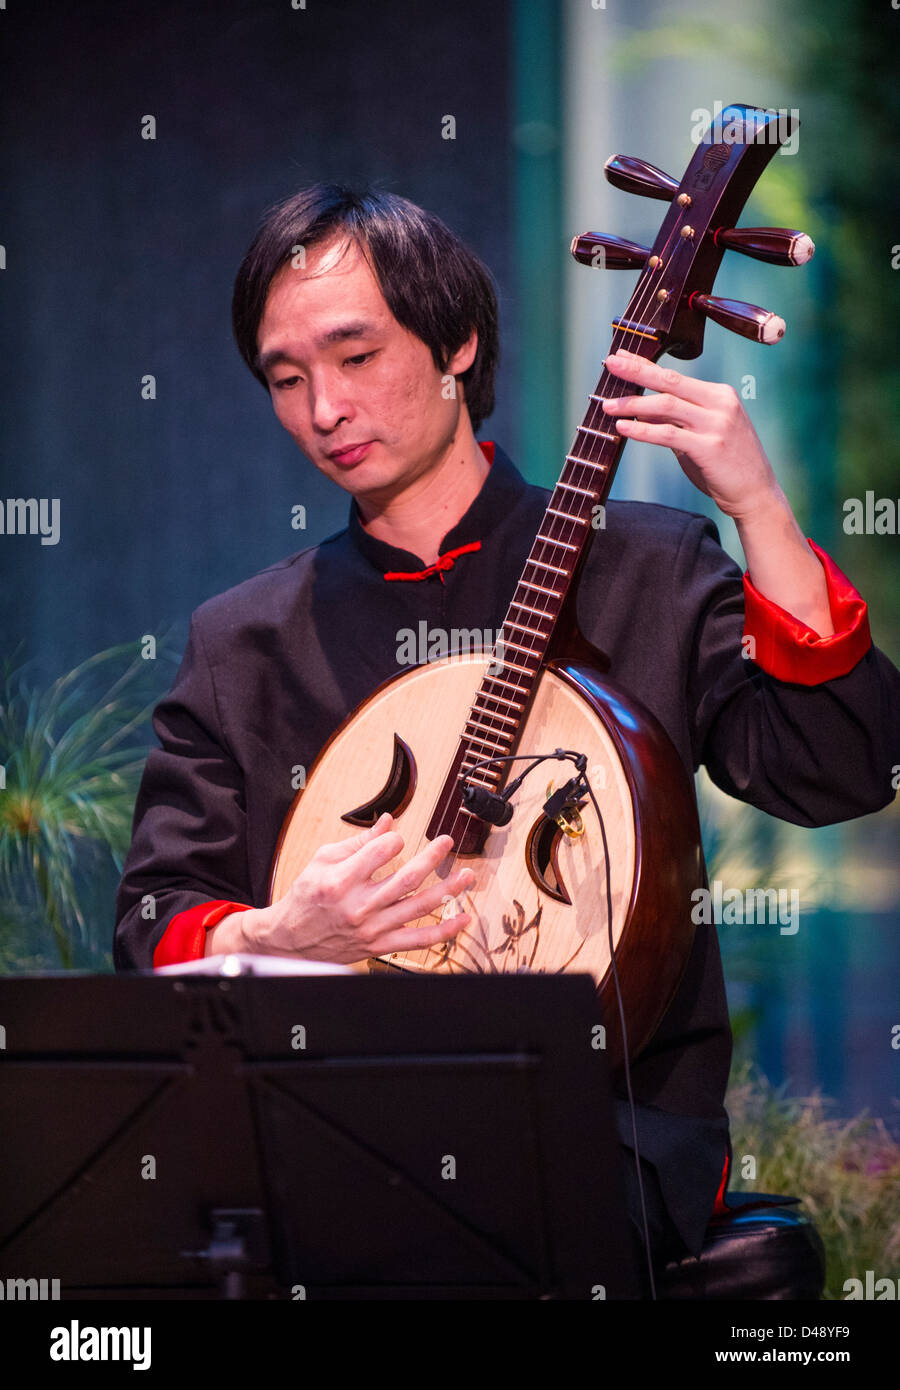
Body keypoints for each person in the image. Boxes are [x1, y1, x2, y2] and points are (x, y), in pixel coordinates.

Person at [114, 184, 899, 1293]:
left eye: (355, 355)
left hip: (606, 1130)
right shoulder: (245, 642)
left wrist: (759, 509)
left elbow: (842, 769)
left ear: (458, 342)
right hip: (331, 1119)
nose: (323, 408)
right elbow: (154, 919)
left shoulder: (648, 569)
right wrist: (286, 927)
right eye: (286, 380)